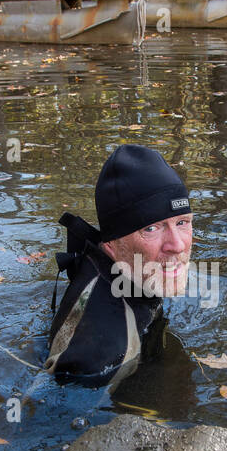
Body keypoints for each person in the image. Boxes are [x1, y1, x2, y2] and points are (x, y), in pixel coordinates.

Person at [45, 144, 193, 388]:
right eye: (151, 228)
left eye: (182, 222)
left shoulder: (133, 271)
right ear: (112, 245)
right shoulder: (100, 355)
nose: (177, 245)